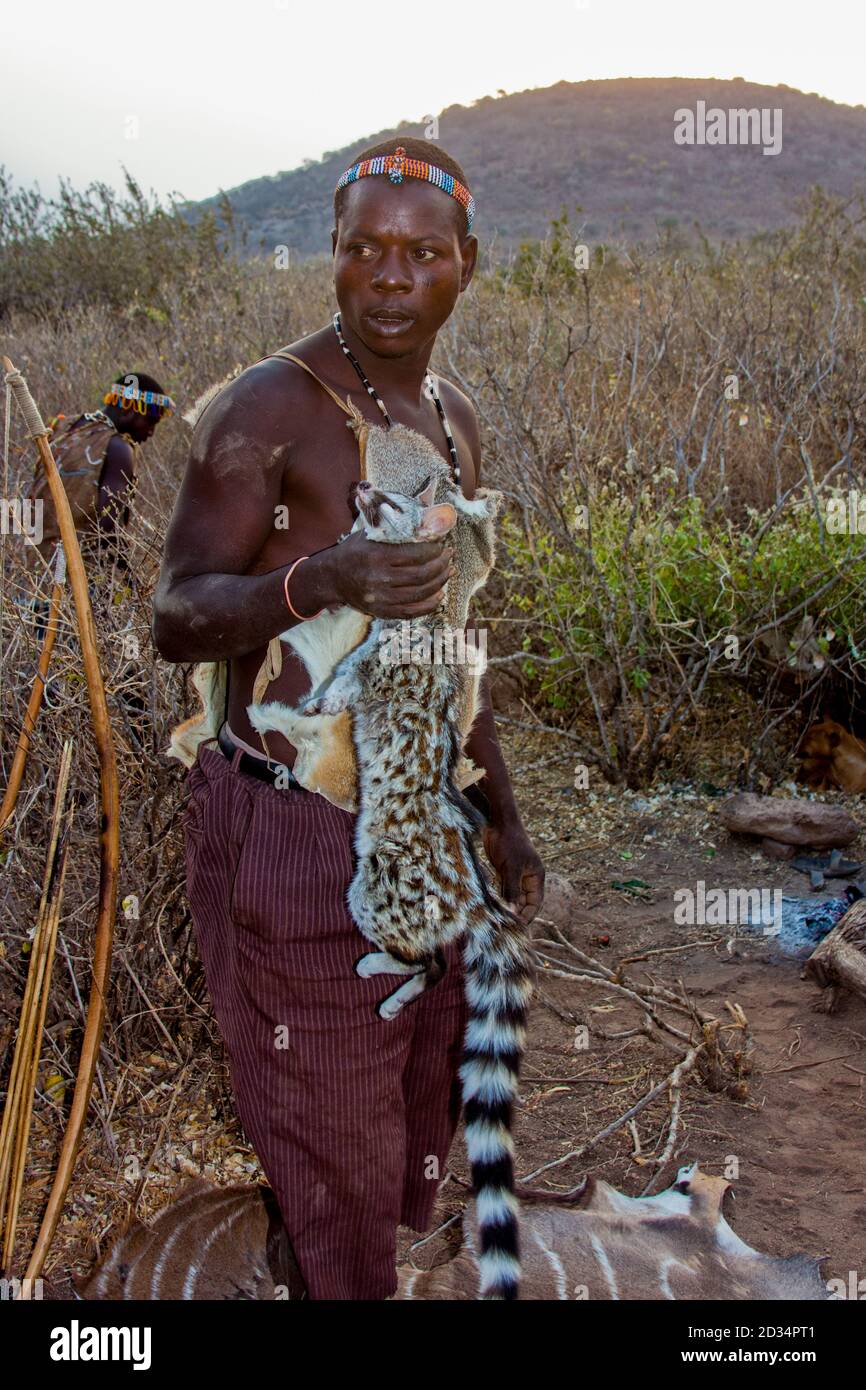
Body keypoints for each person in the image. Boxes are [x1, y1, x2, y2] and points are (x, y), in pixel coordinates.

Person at [152, 138, 545, 1300]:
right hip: (287, 824)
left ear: (465, 267)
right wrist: (318, 582)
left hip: (422, 810)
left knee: (415, 1111)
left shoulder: (456, 416)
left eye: (420, 253)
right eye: (363, 248)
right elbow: (177, 616)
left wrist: (503, 817)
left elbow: (447, 645)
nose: (388, 275)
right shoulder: (268, 406)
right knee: (330, 1140)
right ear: (331, 257)